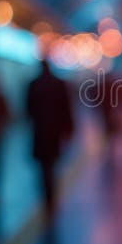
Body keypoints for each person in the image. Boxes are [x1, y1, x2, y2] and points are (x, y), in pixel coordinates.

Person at [26, 60, 74, 214]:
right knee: (52, 164)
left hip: (39, 131)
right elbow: (66, 108)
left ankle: (46, 196)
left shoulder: (33, 84)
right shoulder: (59, 84)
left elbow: (28, 110)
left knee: (43, 166)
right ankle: (52, 195)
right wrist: (69, 128)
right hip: (55, 132)